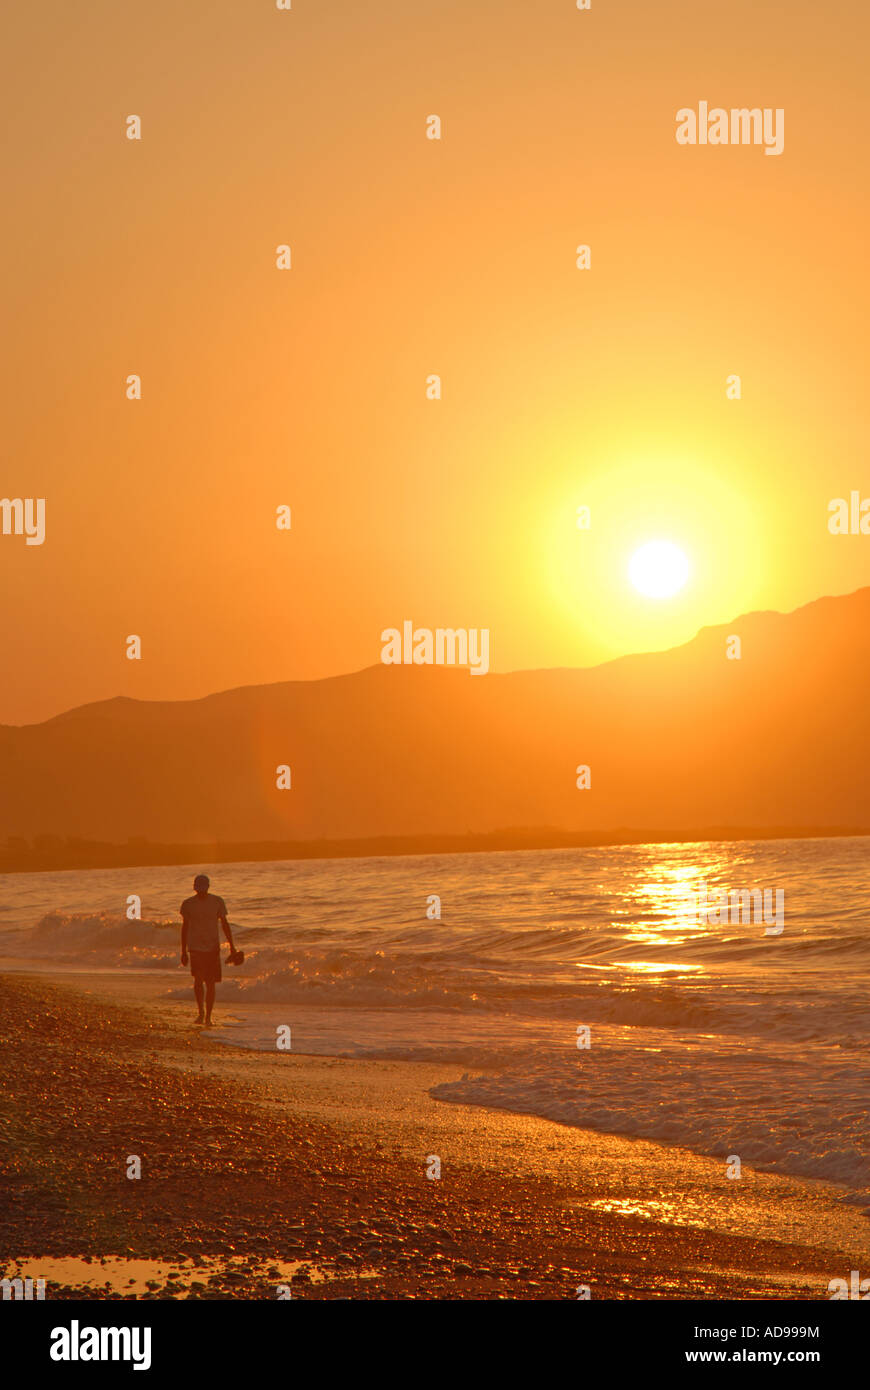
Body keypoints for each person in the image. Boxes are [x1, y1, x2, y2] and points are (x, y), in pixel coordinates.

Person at [179, 874, 235, 1026]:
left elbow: (225, 924)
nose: (201, 891)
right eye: (199, 888)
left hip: (212, 947)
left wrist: (232, 947)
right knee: (198, 981)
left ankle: (208, 1016)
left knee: (210, 982)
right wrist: (183, 951)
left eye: (203, 888)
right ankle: (201, 1013)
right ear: (195, 888)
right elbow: (184, 928)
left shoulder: (217, 901)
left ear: (208, 887)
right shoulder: (188, 904)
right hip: (195, 948)